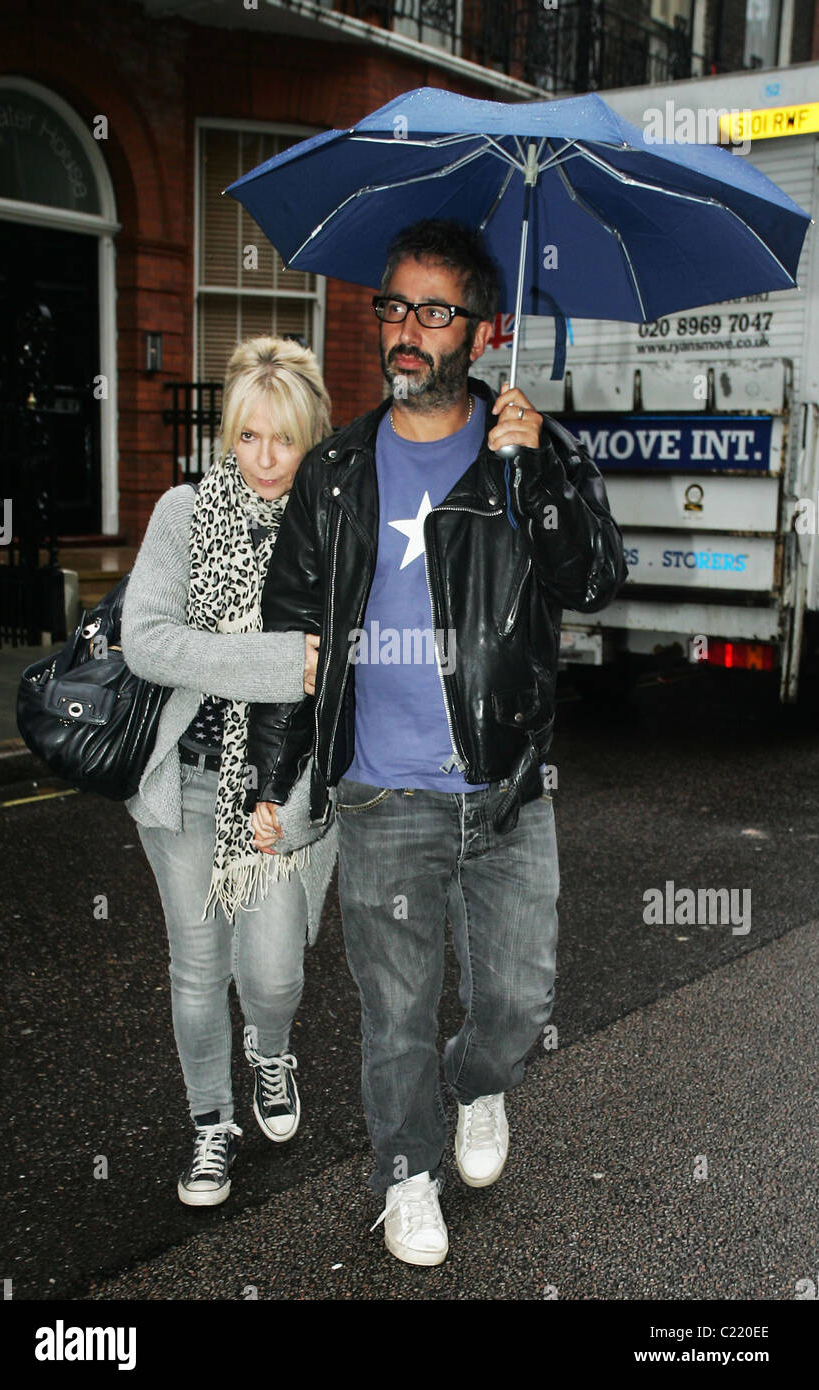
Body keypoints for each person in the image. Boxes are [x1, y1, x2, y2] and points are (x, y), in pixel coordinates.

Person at [245, 220, 627, 1265]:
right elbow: (292, 635)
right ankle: (407, 1173)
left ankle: (478, 1083)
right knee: (397, 1011)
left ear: (484, 330)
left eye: (434, 311)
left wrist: (538, 475)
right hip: (381, 795)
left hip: (505, 786)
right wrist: (275, 776)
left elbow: (595, 577)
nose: (406, 331)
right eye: (394, 307)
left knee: (518, 1001)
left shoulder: (530, 453)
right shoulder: (333, 472)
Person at [121, 335, 337, 1207]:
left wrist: (298, 795)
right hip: (186, 783)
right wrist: (276, 664)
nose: (265, 458)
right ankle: (210, 1125)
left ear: (311, 437)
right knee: (197, 970)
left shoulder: (333, 531)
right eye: (248, 436)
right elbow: (147, 641)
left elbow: (343, 679)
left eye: (283, 438)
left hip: (281, 785)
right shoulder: (183, 514)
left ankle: (271, 1051)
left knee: (274, 972)